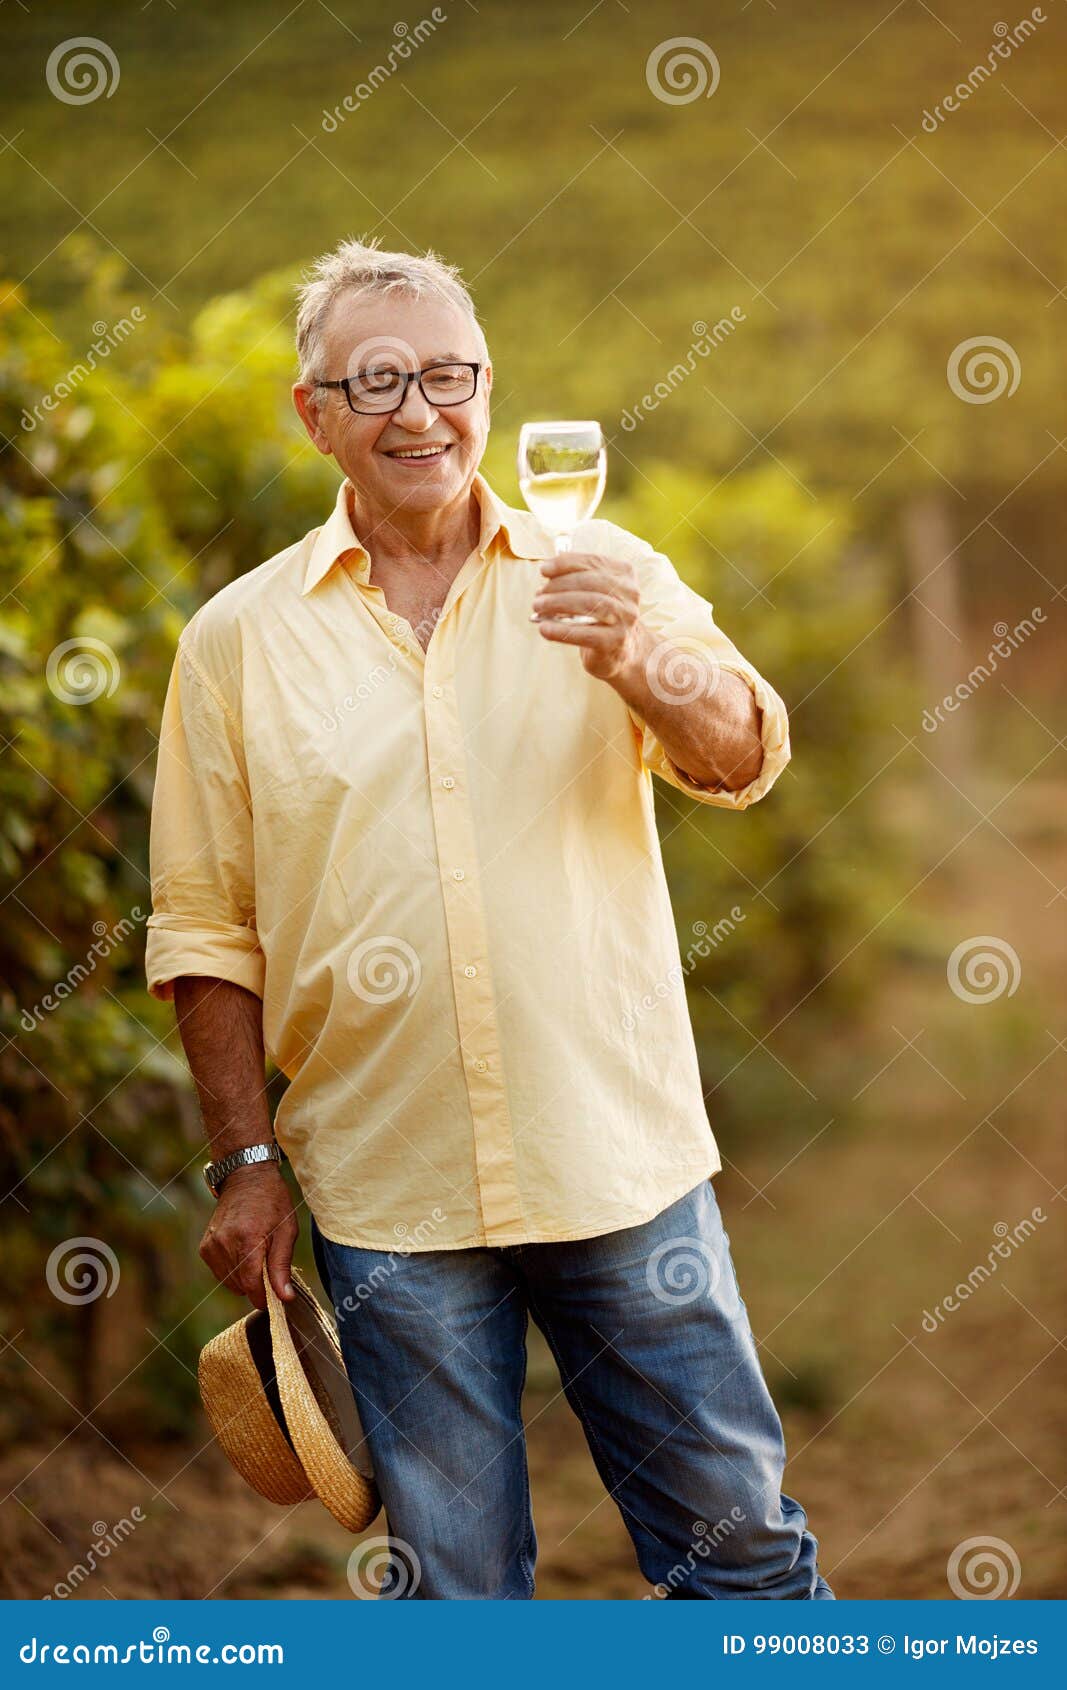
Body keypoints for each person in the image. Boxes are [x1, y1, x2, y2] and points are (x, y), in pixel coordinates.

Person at [145, 236, 833, 1600]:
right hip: (389, 1192)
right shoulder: (236, 639)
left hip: (618, 1159)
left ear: (490, 389)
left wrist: (644, 661)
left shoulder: (606, 568)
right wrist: (246, 1156)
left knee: (740, 1557)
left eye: (446, 373)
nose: (420, 409)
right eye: (378, 379)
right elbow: (204, 928)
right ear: (315, 413)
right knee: (459, 1594)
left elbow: (746, 750)